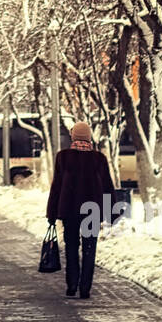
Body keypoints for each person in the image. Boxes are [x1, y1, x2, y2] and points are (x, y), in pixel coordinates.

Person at [46, 121, 115, 299]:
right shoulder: (99, 159)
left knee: (71, 248)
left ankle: (71, 285)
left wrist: (52, 213)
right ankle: (85, 288)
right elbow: (108, 186)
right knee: (89, 249)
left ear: (73, 136)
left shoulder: (63, 157)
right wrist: (110, 213)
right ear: (89, 137)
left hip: (69, 211)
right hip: (92, 211)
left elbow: (57, 187)